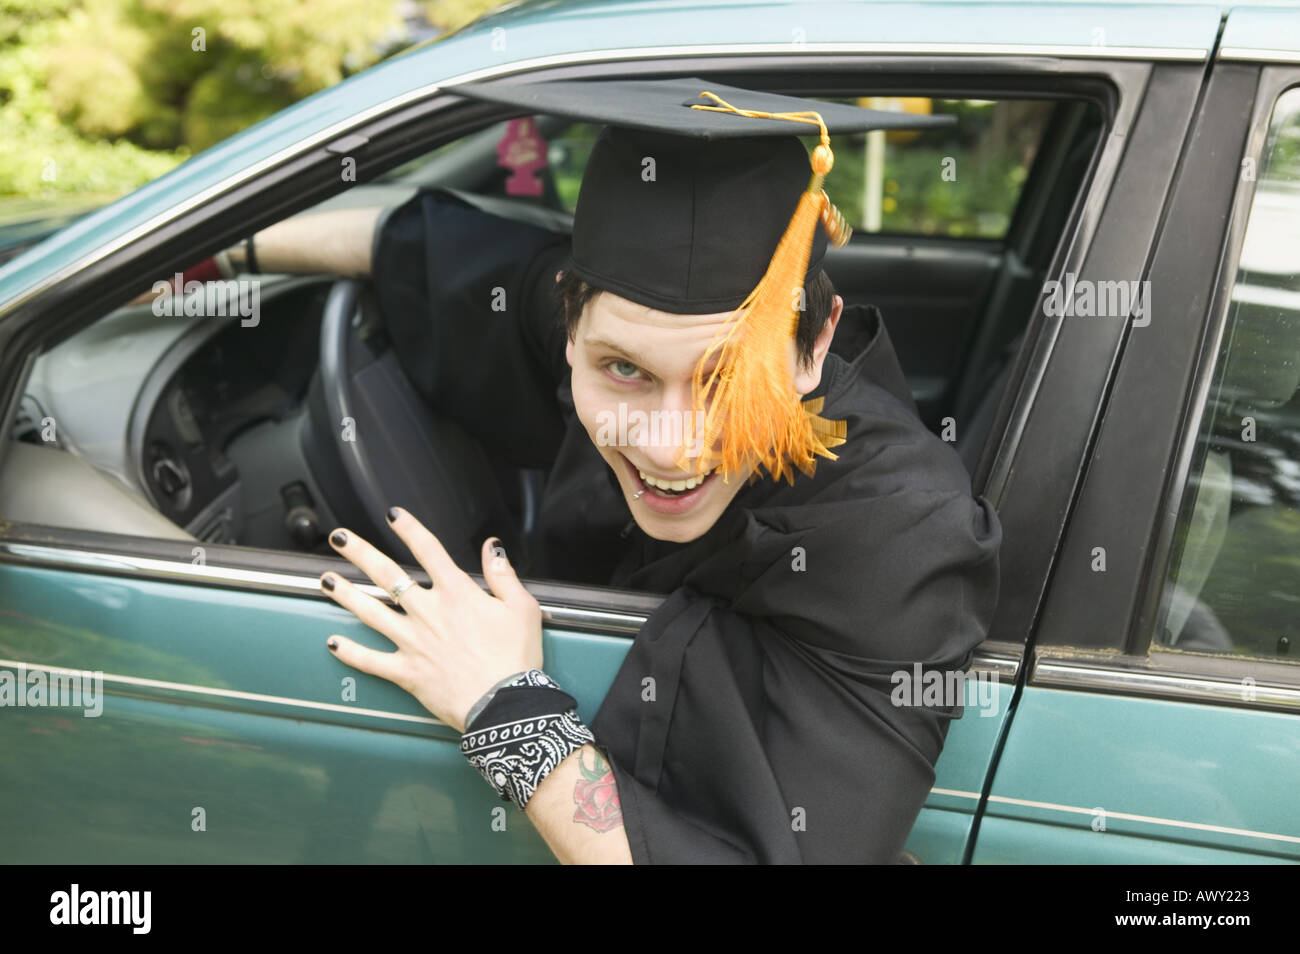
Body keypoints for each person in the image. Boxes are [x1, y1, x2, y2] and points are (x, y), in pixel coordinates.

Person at [187, 78, 1003, 863]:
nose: (672, 447)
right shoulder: (614, 311)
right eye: (624, 373)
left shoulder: (902, 536)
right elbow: (405, 242)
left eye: (726, 381)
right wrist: (212, 266)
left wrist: (507, 704)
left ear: (816, 344)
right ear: (569, 330)